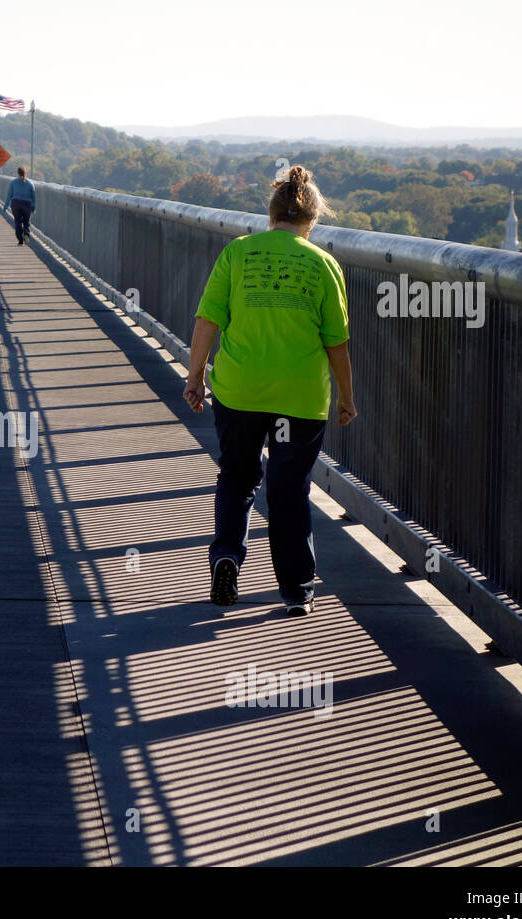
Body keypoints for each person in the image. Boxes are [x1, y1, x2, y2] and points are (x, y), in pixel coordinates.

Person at [183, 164, 356, 617]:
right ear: (312, 220)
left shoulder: (239, 252)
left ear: (271, 214)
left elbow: (208, 320)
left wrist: (195, 376)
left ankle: (225, 558)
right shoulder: (324, 264)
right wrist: (346, 397)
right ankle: (296, 588)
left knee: (237, 479)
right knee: (289, 489)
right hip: (299, 399)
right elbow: (335, 342)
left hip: (240, 391)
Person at [4, 166, 36, 245]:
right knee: (26, 222)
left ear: (18, 173)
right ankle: (26, 234)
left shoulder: (13, 182)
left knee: (17, 222)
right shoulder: (30, 183)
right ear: (26, 173)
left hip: (16, 204)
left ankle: (20, 240)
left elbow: (9, 195)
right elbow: (33, 196)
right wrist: (33, 207)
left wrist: (5, 206)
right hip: (27, 204)